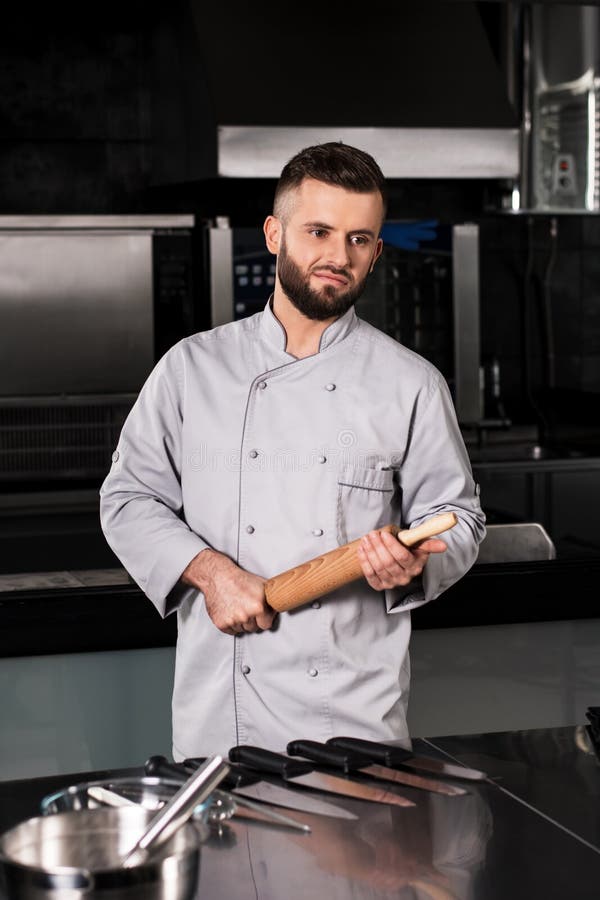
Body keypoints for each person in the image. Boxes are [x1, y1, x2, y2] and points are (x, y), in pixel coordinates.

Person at [100, 141, 485, 759]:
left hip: (353, 719)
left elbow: (461, 518)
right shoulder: (191, 368)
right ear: (275, 234)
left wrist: (415, 564)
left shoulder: (410, 383)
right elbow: (127, 497)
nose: (339, 256)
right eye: (319, 231)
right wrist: (213, 574)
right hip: (220, 718)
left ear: (378, 251)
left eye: (360, 239)